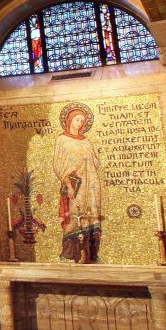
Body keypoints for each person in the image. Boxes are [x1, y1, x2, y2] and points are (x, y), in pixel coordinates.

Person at [53, 102, 101, 262]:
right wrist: (68, 184)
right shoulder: (62, 140)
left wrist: (88, 162)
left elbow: (95, 161)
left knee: (89, 216)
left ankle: (90, 253)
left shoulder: (86, 141)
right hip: (74, 184)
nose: (80, 123)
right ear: (70, 121)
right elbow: (58, 164)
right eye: (77, 120)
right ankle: (70, 254)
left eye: (82, 121)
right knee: (74, 217)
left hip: (90, 185)